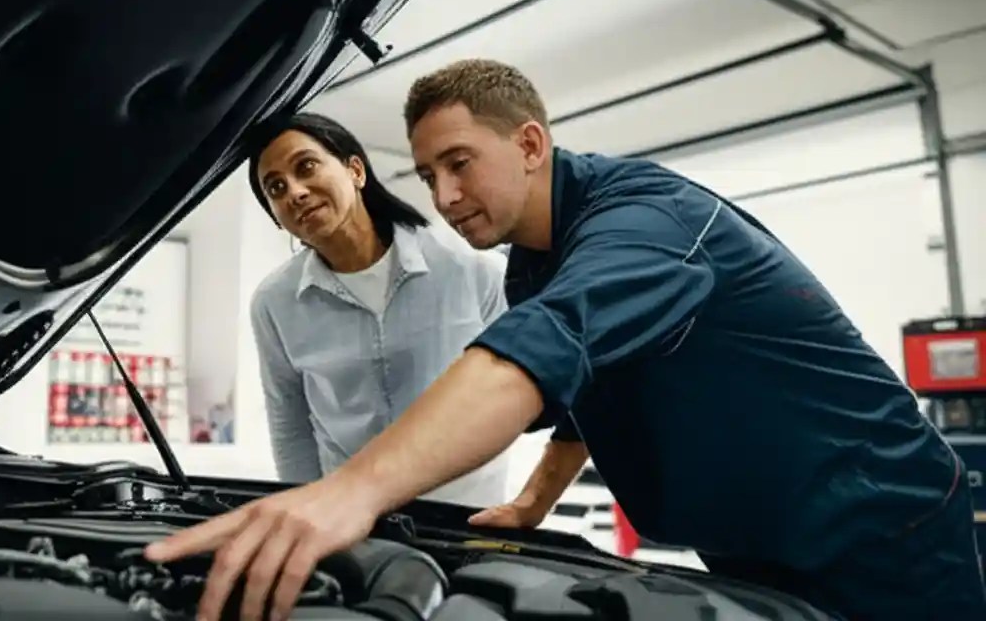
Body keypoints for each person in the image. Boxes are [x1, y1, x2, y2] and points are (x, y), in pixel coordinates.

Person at [146, 60, 986, 621]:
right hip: (753, 541)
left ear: (531, 143)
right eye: (431, 174)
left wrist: (347, 493)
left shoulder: (644, 224)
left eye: (460, 163)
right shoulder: (533, 262)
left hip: (880, 536)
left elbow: (543, 349)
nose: (443, 195)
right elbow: (588, 390)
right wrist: (532, 504)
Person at [244, 111, 511, 509]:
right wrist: (307, 516)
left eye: (307, 167)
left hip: (465, 516)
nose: (295, 192)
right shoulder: (275, 303)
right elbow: (291, 427)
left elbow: (524, 385)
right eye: (276, 188)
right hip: (352, 522)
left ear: (356, 170)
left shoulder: (469, 266)